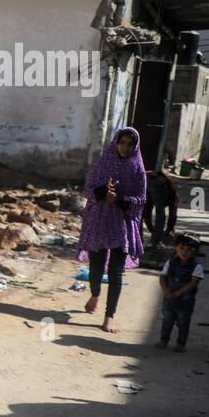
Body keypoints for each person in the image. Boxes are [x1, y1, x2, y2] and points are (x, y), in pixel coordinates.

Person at [76, 126, 147, 334]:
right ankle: (95, 293)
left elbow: (141, 199)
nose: (125, 147)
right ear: (116, 142)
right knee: (96, 269)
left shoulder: (137, 170)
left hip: (122, 224)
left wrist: (120, 199)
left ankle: (109, 317)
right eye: (122, 143)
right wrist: (102, 191)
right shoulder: (103, 163)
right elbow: (87, 190)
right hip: (99, 221)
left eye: (129, 144)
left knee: (116, 272)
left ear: (135, 146)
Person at [154, 233, 204, 352]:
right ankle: (163, 340)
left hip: (185, 301)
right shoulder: (170, 263)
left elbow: (194, 283)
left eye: (189, 250)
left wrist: (178, 293)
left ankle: (181, 343)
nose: (184, 252)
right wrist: (166, 290)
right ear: (176, 247)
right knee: (167, 320)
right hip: (169, 298)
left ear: (195, 252)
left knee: (183, 321)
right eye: (181, 248)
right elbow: (162, 277)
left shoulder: (197, 267)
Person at [143, 166, 179, 249]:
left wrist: (165, 230)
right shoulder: (171, 196)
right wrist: (164, 231)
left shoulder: (171, 195)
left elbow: (172, 216)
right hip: (148, 183)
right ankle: (155, 241)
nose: (156, 196)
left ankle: (153, 240)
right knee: (158, 213)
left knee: (153, 213)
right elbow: (172, 215)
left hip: (148, 181)